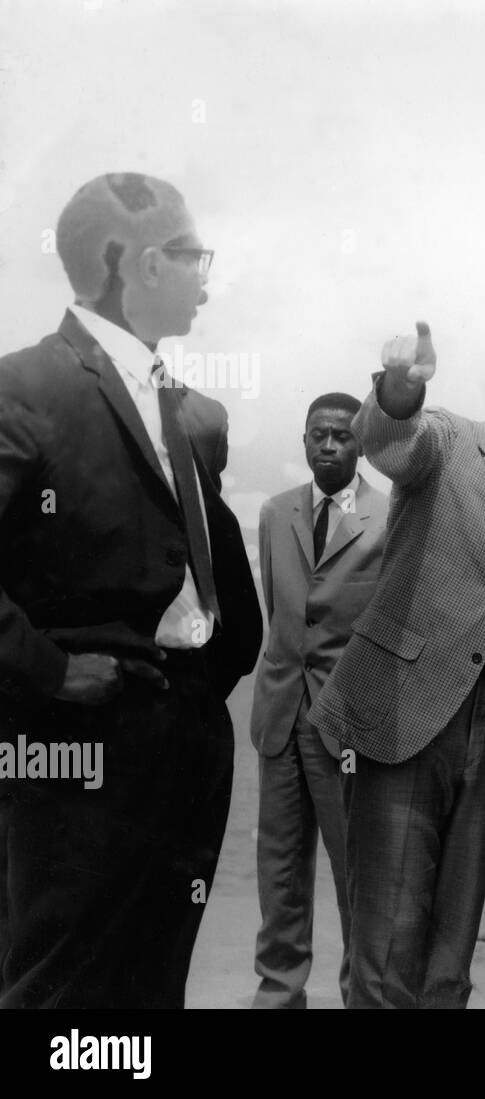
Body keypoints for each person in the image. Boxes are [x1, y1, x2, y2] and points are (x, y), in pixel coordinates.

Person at [0, 172, 261, 1007]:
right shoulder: (24, 386)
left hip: (183, 740)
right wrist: (49, 670)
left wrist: (200, 685)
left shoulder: (189, 410)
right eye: (193, 257)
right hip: (74, 743)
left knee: (153, 981)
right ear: (145, 264)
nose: (205, 280)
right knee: (61, 984)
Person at [310, 319, 485, 1008]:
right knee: (385, 953)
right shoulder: (449, 439)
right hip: (407, 713)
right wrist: (401, 388)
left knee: (449, 962)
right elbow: (391, 440)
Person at [250, 392, 389, 1008]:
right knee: (278, 873)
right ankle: (278, 993)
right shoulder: (276, 512)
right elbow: (279, 618)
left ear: (361, 444)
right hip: (279, 716)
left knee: (355, 874)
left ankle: (360, 995)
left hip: (347, 725)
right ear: (302, 441)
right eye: (317, 435)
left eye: (341, 435)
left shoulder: (389, 517)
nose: (328, 445)